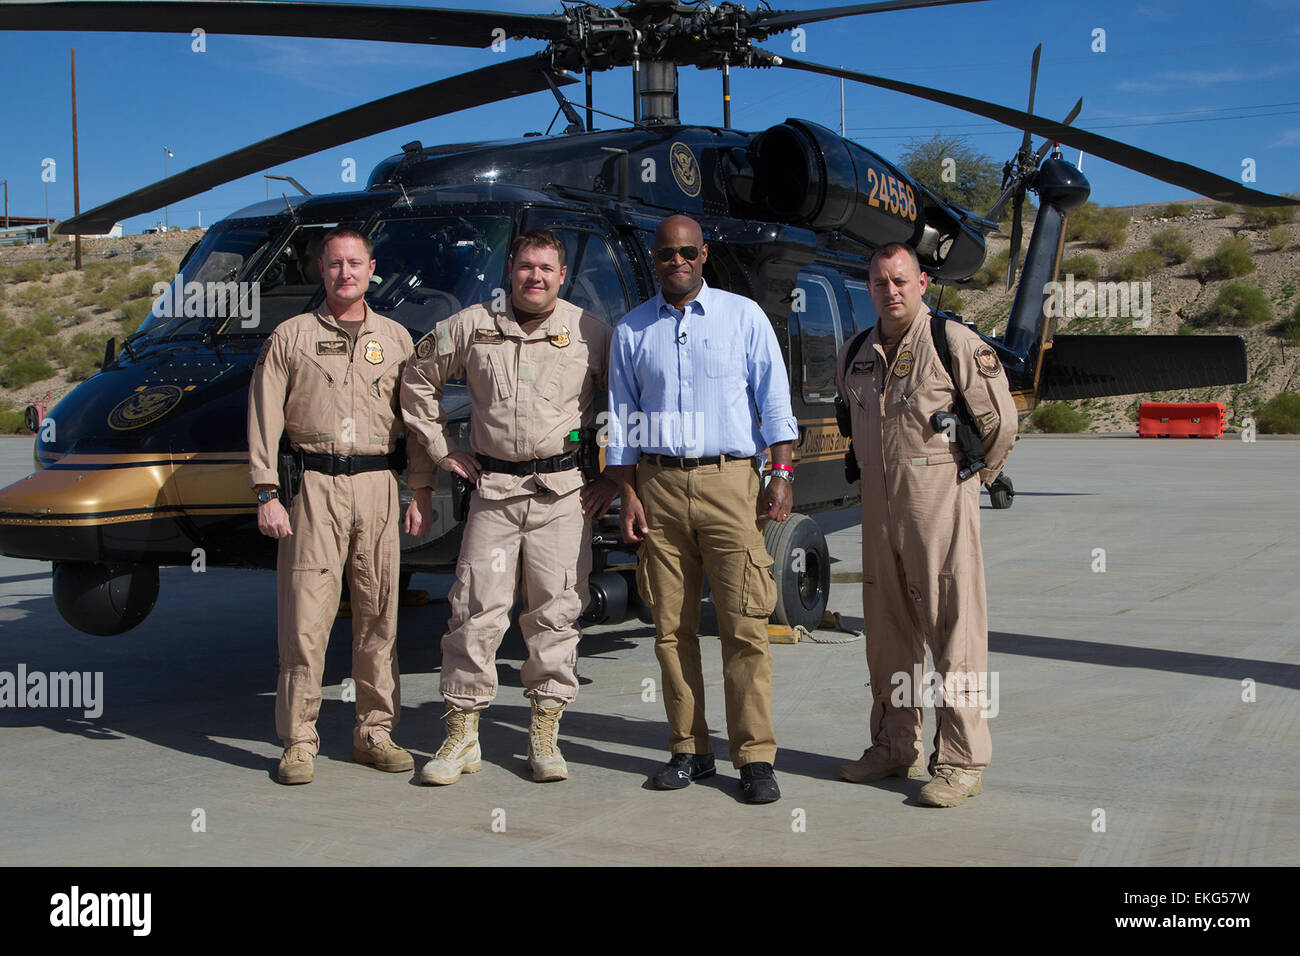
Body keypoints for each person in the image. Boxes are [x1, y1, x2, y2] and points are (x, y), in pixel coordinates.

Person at [401, 229, 615, 785]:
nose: (535, 277)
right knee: (475, 612)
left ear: (561, 275)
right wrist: (443, 448)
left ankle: (543, 735)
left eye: (546, 268)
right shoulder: (473, 325)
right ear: (511, 270)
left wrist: (615, 475)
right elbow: (416, 376)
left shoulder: (589, 332)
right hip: (493, 495)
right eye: (525, 266)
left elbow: (629, 396)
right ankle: (462, 736)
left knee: (555, 612)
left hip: (562, 495)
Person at [606, 214, 797, 805]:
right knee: (670, 629)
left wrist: (782, 474)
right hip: (659, 486)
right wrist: (629, 493)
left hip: (730, 482)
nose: (677, 262)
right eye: (666, 254)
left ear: (704, 254)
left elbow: (774, 401)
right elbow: (622, 420)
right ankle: (689, 749)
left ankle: (755, 757)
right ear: (654, 258)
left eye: (688, 252)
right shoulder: (632, 331)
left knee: (744, 625)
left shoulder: (743, 317)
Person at [834, 241, 1017, 807]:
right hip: (878, 510)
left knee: (953, 632)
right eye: (880, 282)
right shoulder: (857, 352)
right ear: (869, 288)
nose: (891, 291)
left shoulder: (951, 342)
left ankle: (961, 762)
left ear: (922, 283)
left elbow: (1000, 423)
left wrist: (972, 479)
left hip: (937, 506)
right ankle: (894, 745)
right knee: (887, 635)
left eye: (901, 280)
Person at [248, 227, 428, 786]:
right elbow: (263, 418)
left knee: (380, 616)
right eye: (334, 265)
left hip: (377, 486)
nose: (345, 273)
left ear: (371, 268)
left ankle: (374, 731)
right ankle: (299, 740)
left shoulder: (397, 338)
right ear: (321, 270)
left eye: (355, 264)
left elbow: (418, 421)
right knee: (305, 621)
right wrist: (266, 491)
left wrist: (419, 488)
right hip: (314, 488)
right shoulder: (291, 336)